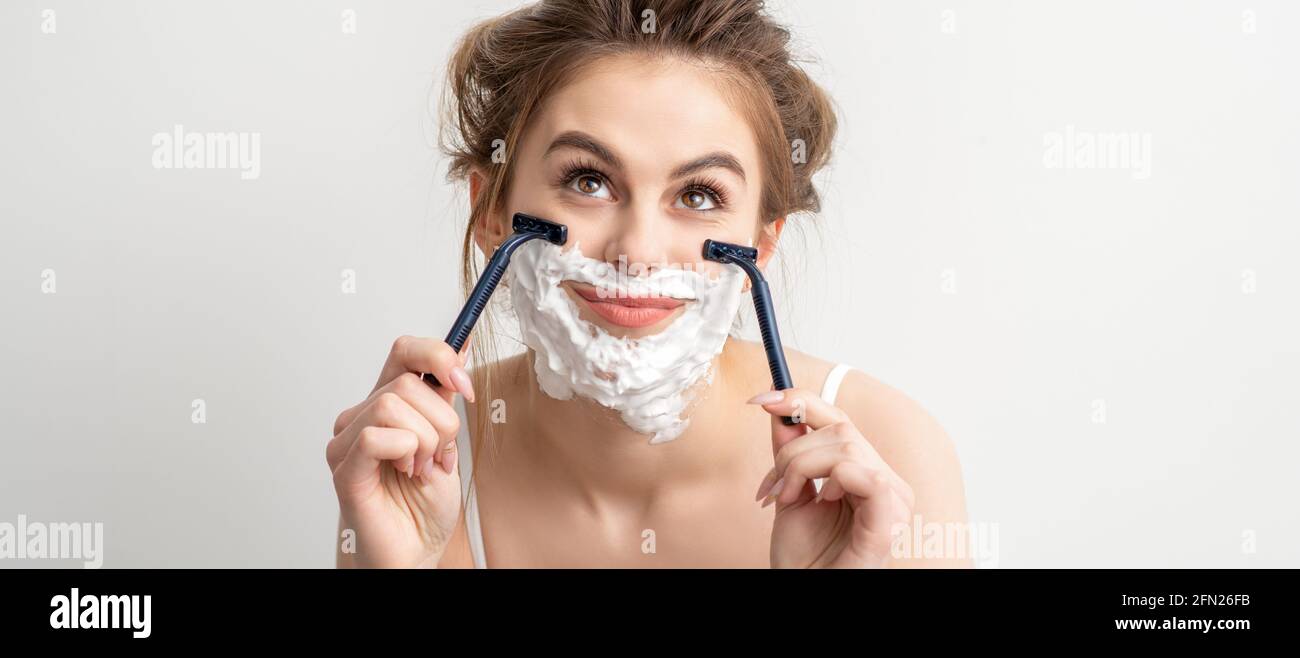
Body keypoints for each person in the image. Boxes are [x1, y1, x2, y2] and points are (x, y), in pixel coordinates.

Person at [327, 0, 969, 568]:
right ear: (492, 213)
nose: (636, 251)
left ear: (762, 244)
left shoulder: (886, 457)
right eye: (587, 181)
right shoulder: (423, 461)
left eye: (697, 194)